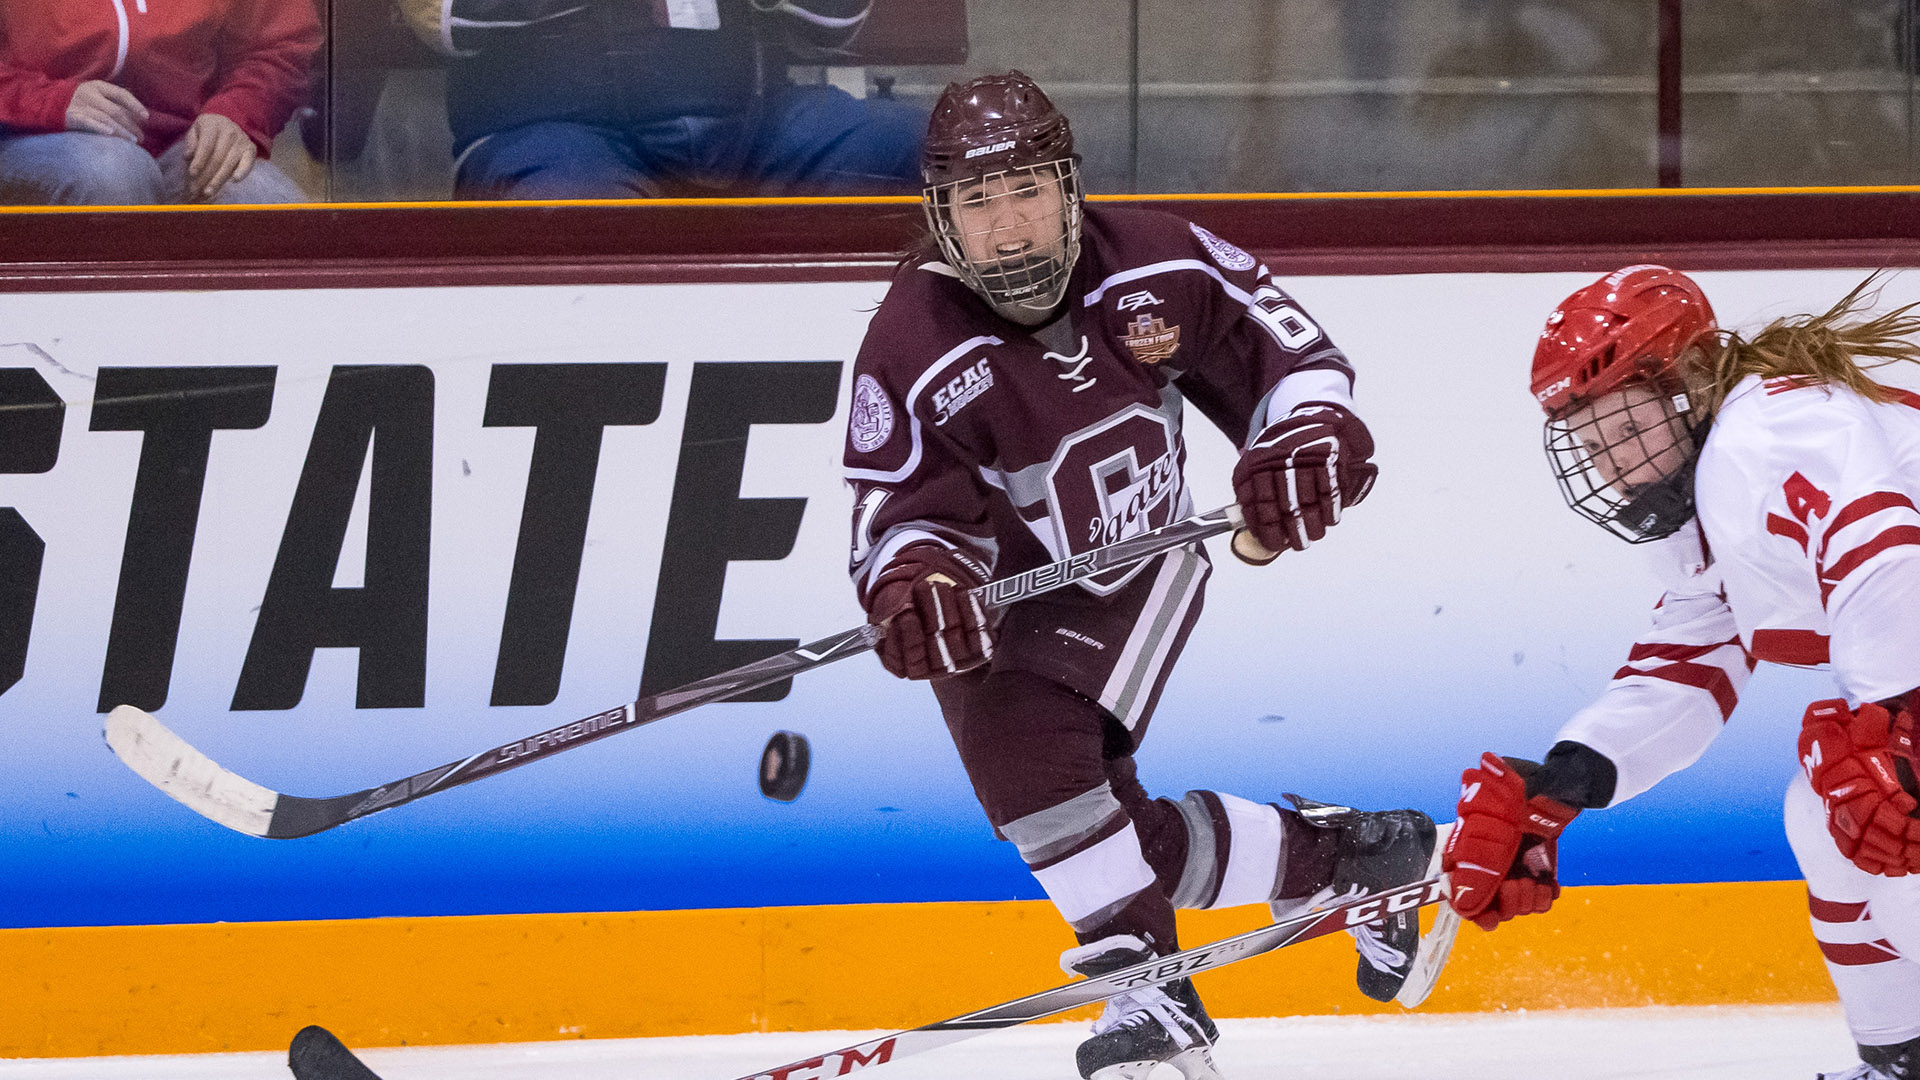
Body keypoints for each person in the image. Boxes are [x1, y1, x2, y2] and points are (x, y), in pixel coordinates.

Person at [843, 71, 1437, 1080]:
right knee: (1118, 841)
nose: (1008, 226)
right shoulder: (911, 343)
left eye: (1026, 191)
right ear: (940, 213)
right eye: (978, 202)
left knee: (1027, 761)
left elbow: (1292, 356)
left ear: (1069, 188)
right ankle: (1358, 860)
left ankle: (1150, 991)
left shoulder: (1158, 259)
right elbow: (899, 512)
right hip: (1010, 591)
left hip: (1136, 559)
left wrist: (1305, 433)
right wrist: (918, 583)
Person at [1439, 265, 1920, 1080]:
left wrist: (1895, 714)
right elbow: (1694, 650)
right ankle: (1900, 1057)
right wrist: (1566, 780)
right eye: (1595, 446)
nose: (1616, 466)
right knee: (1828, 814)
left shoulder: (1764, 434)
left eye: (1627, 431)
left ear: (1692, 378)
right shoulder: (1719, 478)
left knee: (1888, 838)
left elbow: (1882, 551)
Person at [398, 0, 923, 200]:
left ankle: (887, 390)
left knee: (932, 155)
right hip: (553, 131)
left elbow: (836, 21)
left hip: (755, 128)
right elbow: (442, 16)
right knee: (585, 217)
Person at [0, 0, 319, 205]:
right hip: (24, 135)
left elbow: (281, 44)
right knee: (112, 174)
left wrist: (236, 113)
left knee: (266, 201)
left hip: (181, 141)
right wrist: (49, 101)